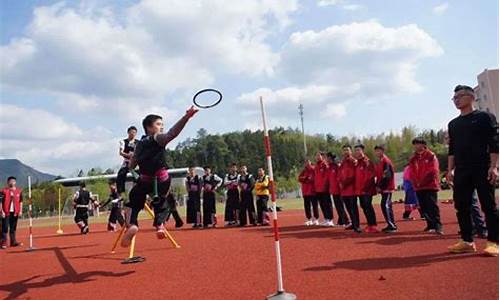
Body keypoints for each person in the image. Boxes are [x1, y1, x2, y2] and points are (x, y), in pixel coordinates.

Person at [121, 106, 198, 247]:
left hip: (144, 180)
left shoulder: (139, 144)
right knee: (162, 203)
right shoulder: (157, 138)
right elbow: (172, 134)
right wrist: (186, 117)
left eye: (162, 124)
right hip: (162, 179)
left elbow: (132, 164)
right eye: (158, 124)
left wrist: (132, 171)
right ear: (149, 128)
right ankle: (160, 225)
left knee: (133, 203)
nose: (162, 127)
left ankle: (132, 224)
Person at [446, 85, 499, 256]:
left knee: (488, 205)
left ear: (471, 97)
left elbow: (494, 143)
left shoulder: (485, 117)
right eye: (454, 98)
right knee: (461, 205)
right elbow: (452, 149)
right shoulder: (453, 124)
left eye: (460, 96)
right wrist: (450, 170)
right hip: (462, 169)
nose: (456, 100)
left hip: (482, 166)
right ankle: (467, 241)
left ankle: (494, 242)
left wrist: (494, 166)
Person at [408, 137, 443, 235]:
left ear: (423, 145)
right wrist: (415, 181)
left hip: (430, 185)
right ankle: (430, 224)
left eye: (418, 144)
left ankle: (438, 226)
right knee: (423, 207)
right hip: (418, 186)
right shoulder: (413, 158)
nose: (415, 146)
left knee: (432, 206)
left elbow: (433, 170)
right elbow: (411, 172)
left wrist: (422, 181)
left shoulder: (431, 156)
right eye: (414, 144)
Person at [354, 144, 378, 233]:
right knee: (364, 206)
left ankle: (373, 225)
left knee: (368, 206)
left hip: (367, 190)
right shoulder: (357, 163)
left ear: (362, 151)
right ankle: (369, 224)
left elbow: (370, 176)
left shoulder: (367, 162)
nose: (357, 152)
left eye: (358, 150)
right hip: (360, 190)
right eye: (356, 150)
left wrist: (365, 187)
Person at [374, 145, 397, 233]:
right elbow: (379, 175)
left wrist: (380, 186)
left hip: (387, 187)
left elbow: (387, 176)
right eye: (376, 151)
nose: (377, 153)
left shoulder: (385, 161)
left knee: (385, 205)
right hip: (384, 188)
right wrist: (377, 185)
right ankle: (391, 224)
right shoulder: (380, 162)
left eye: (379, 151)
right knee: (386, 205)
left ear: (383, 151)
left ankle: (392, 225)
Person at [338, 145, 361, 233]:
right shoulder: (343, 162)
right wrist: (340, 182)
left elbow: (353, 175)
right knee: (348, 208)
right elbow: (339, 174)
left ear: (351, 151)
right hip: (344, 191)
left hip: (351, 190)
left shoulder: (353, 161)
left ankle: (357, 225)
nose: (345, 152)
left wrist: (344, 183)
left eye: (347, 150)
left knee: (353, 208)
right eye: (344, 150)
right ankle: (353, 223)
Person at [326, 152, 349, 226]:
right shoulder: (330, 167)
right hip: (333, 190)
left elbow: (340, 177)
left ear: (332, 158)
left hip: (339, 190)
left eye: (329, 158)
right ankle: (341, 220)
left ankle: (346, 220)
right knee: (337, 206)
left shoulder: (336, 166)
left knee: (340, 206)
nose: (327, 159)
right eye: (327, 158)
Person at [1, 176, 23, 249]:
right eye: (10, 181)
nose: (12, 182)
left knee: (13, 228)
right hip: (6, 212)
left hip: (15, 212)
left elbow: (21, 202)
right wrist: (2, 211)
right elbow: (0, 202)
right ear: (8, 182)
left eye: (13, 181)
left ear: (15, 182)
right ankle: (3, 242)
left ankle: (13, 242)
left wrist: (20, 211)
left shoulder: (19, 191)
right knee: (5, 228)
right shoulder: (3, 191)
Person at [117, 126, 139, 197]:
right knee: (121, 174)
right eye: (131, 132)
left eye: (134, 132)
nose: (133, 134)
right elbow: (121, 152)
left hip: (136, 162)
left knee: (139, 175)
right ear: (128, 133)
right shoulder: (123, 142)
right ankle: (121, 193)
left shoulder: (138, 142)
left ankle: (138, 190)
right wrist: (129, 156)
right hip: (127, 161)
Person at [314, 151, 334, 227]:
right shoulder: (316, 166)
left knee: (327, 204)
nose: (317, 157)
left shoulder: (325, 165)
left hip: (325, 189)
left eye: (319, 155)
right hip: (318, 189)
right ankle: (326, 218)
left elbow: (327, 176)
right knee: (322, 204)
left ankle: (330, 219)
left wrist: (325, 186)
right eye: (316, 156)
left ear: (323, 156)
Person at [298, 160, 319, 226]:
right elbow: (299, 178)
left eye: (308, 162)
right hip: (305, 191)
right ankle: (309, 219)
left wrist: (307, 179)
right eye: (305, 163)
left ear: (310, 163)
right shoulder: (304, 171)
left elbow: (314, 179)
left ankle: (316, 219)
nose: (306, 164)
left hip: (312, 191)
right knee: (307, 206)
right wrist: (306, 178)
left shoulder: (313, 169)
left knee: (314, 205)